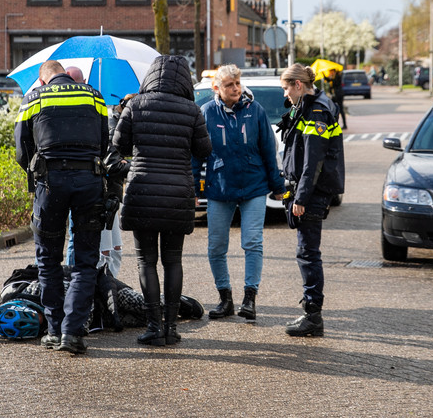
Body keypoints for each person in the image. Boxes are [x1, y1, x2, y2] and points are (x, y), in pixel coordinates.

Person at [113, 54, 211, 347]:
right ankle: (172, 328)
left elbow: (119, 146)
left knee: (146, 261)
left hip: (143, 190)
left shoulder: (136, 105)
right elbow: (204, 151)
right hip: (178, 192)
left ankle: (154, 327)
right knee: (173, 260)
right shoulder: (192, 110)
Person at [15, 58, 109, 355]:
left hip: (50, 184)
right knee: (85, 260)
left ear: (42, 81)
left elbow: (21, 150)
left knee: (49, 259)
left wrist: (39, 172)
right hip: (89, 182)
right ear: (67, 75)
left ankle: (54, 331)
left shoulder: (33, 98)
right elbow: (105, 143)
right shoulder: (94, 96)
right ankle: (73, 333)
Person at [200, 64, 289, 322]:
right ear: (216, 88)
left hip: (253, 186)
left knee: (253, 242)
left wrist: (278, 187)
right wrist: (194, 188)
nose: (236, 88)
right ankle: (225, 298)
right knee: (216, 246)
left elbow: (268, 152)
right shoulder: (206, 113)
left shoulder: (256, 111)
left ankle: (250, 298)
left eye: (237, 83)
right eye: (229, 84)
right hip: (220, 188)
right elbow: (196, 156)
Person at [277, 63, 345, 337]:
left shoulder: (317, 110)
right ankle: (310, 311)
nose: (286, 94)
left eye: (286, 88)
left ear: (298, 85)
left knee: (308, 253)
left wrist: (301, 197)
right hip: (308, 189)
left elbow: (313, 162)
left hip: (313, 193)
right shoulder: (310, 106)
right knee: (306, 252)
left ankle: (313, 315)